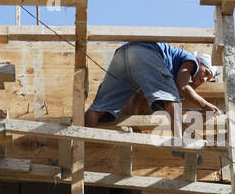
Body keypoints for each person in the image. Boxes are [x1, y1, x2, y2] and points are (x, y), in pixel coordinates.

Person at [84, 42, 220, 139]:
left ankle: (79, 142)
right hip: (145, 51)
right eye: (206, 73)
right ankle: (179, 141)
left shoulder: (153, 75)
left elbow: (138, 95)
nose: (205, 79)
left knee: (100, 107)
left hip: (123, 53)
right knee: (173, 100)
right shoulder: (191, 61)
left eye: (209, 78)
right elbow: (182, 86)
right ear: (198, 62)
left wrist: (134, 121)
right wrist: (205, 105)